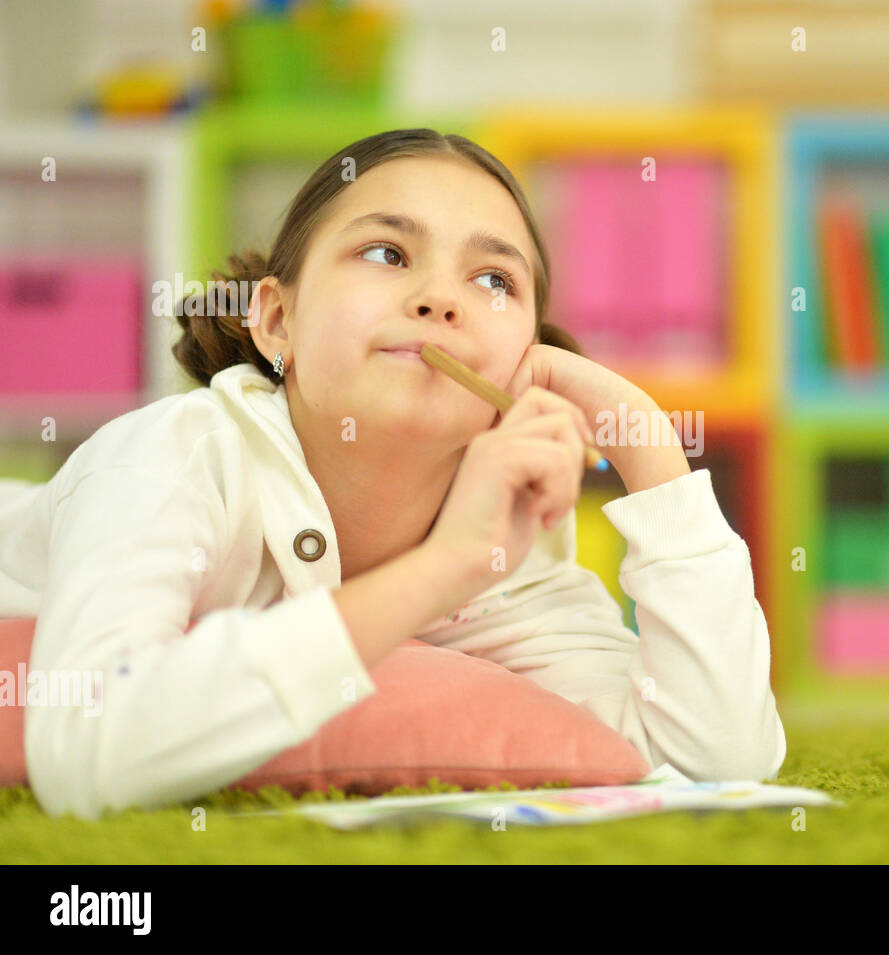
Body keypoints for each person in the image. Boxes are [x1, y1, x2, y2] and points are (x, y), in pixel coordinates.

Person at [0, 128, 786, 821]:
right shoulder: (171, 456)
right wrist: (439, 570)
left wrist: (648, 446)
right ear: (277, 321)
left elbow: (720, 756)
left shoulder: (515, 568)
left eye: (494, 281)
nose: (442, 297)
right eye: (387, 253)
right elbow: (81, 753)